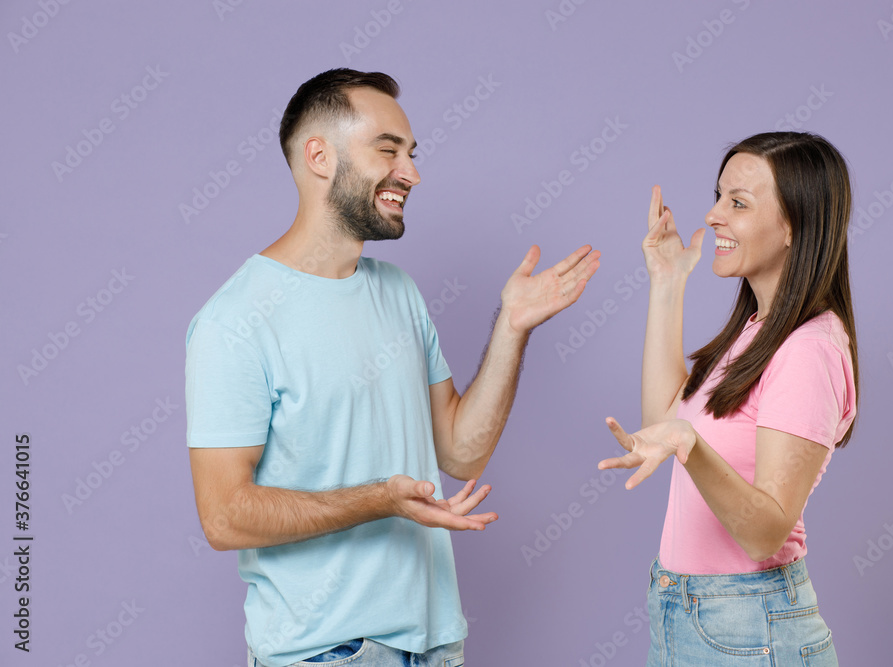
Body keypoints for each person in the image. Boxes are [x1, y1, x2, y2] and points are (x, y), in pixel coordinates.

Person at [184, 68, 600, 667]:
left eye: (411, 153)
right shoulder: (235, 321)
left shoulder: (398, 292)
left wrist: (512, 328)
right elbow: (224, 517)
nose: (411, 172)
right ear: (319, 156)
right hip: (325, 653)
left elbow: (460, 451)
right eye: (389, 150)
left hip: (434, 642)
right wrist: (380, 499)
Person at [599, 132, 858, 665]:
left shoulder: (809, 348)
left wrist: (687, 441)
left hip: (748, 624)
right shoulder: (756, 332)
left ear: (794, 225)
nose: (714, 215)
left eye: (737, 203)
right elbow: (660, 427)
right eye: (718, 196)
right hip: (688, 611)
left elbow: (765, 532)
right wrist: (668, 282)